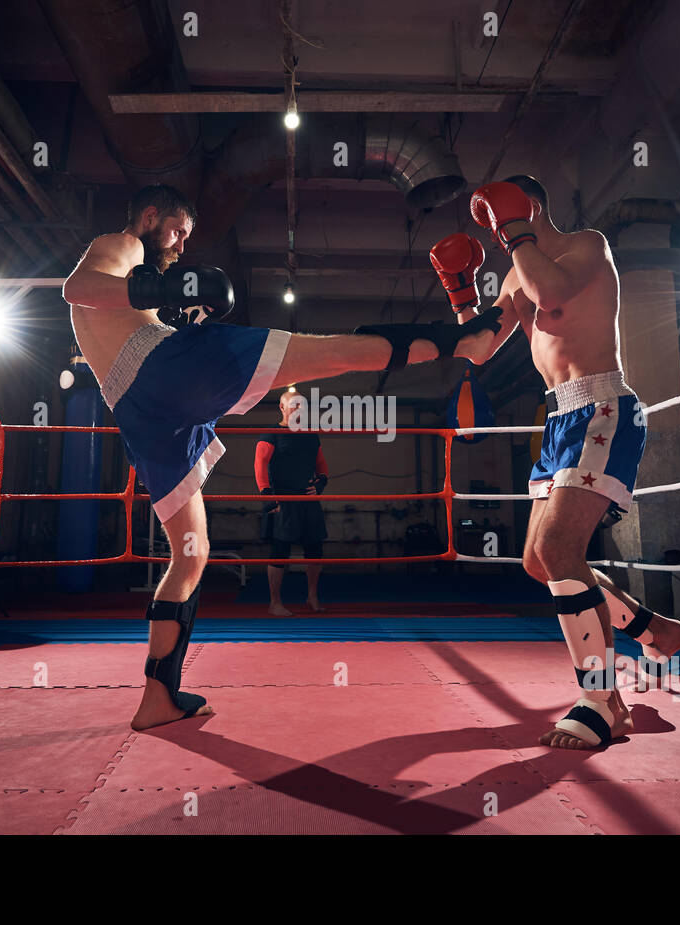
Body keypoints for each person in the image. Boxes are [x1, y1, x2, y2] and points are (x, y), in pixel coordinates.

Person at [63, 184, 503, 730]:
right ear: (151, 215)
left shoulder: (138, 285)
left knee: (191, 555)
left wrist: (175, 307)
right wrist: (159, 285)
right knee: (331, 351)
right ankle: (460, 342)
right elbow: (76, 287)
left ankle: (158, 696)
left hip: (142, 412)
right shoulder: (121, 244)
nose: (179, 244)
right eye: (177, 231)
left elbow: (116, 308)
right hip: (162, 371)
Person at [432, 175, 680, 749]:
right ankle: (653, 629)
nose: (494, 231)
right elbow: (475, 348)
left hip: (603, 406)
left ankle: (601, 703)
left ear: (529, 207)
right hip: (558, 421)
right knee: (537, 562)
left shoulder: (584, 245)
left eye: (499, 217)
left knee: (557, 550)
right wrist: (461, 292)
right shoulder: (514, 273)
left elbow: (551, 296)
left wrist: (517, 229)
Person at [256, 388, 329, 615]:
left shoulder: (310, 434)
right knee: (280, 550)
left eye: (302, 405)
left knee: (315, 548)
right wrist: (267, 496)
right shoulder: (271, 434)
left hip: (307, 499)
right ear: (282, 407)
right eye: (294, 405)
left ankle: (312, 597)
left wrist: (319, 485)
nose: (299, 409)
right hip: (283, 499)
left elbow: (322, 466)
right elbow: (260, 466)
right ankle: (275, 603)